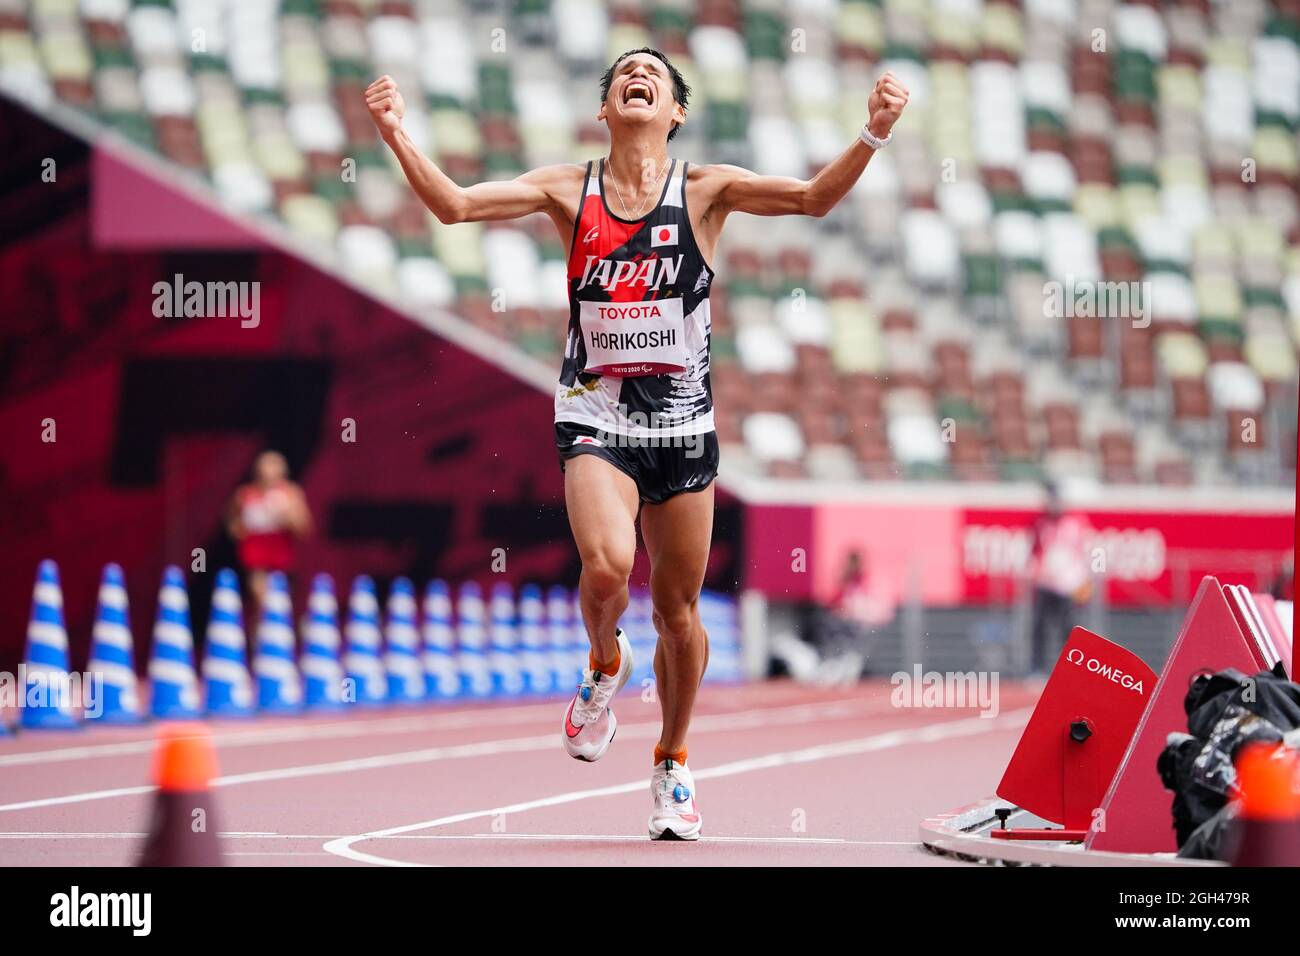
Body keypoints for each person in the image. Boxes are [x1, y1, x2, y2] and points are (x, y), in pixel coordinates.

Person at [366, 50, 908, 839]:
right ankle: (601, 661)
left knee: (679, 612)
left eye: (652, 72)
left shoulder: (706, 189)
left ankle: (672, 763)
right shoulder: (567, 188)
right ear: (607, 108)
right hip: (598, 416)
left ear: (674, 110)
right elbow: (452, 206)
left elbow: (811, 198)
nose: (637, 75)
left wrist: (873, 131)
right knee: (607, 565)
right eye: (624, 72)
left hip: (684, 428)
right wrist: (394, 133)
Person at [225, 450, 312, 627]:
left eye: (274, 467)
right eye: (266, 467)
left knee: (278, 605)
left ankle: (270, 639)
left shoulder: (290, 494)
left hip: (281, 560)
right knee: (263, 599)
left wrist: (288, 517)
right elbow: (231, 521)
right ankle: (261, 642)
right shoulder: (245, 494)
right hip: (255, 560)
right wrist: (239, 529)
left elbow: (304, 527)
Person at [1028, 482, 1093, 674]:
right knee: (1039, 626)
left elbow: (1084, 552)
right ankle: (1037, 668)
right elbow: (1036, 551)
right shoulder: (1041, 523)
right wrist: (1037, 571)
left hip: (1068, 585)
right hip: (1046, 583)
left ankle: (1070, 669)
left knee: (1069, 627)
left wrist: (1081, 581)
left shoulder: (1075, 523)